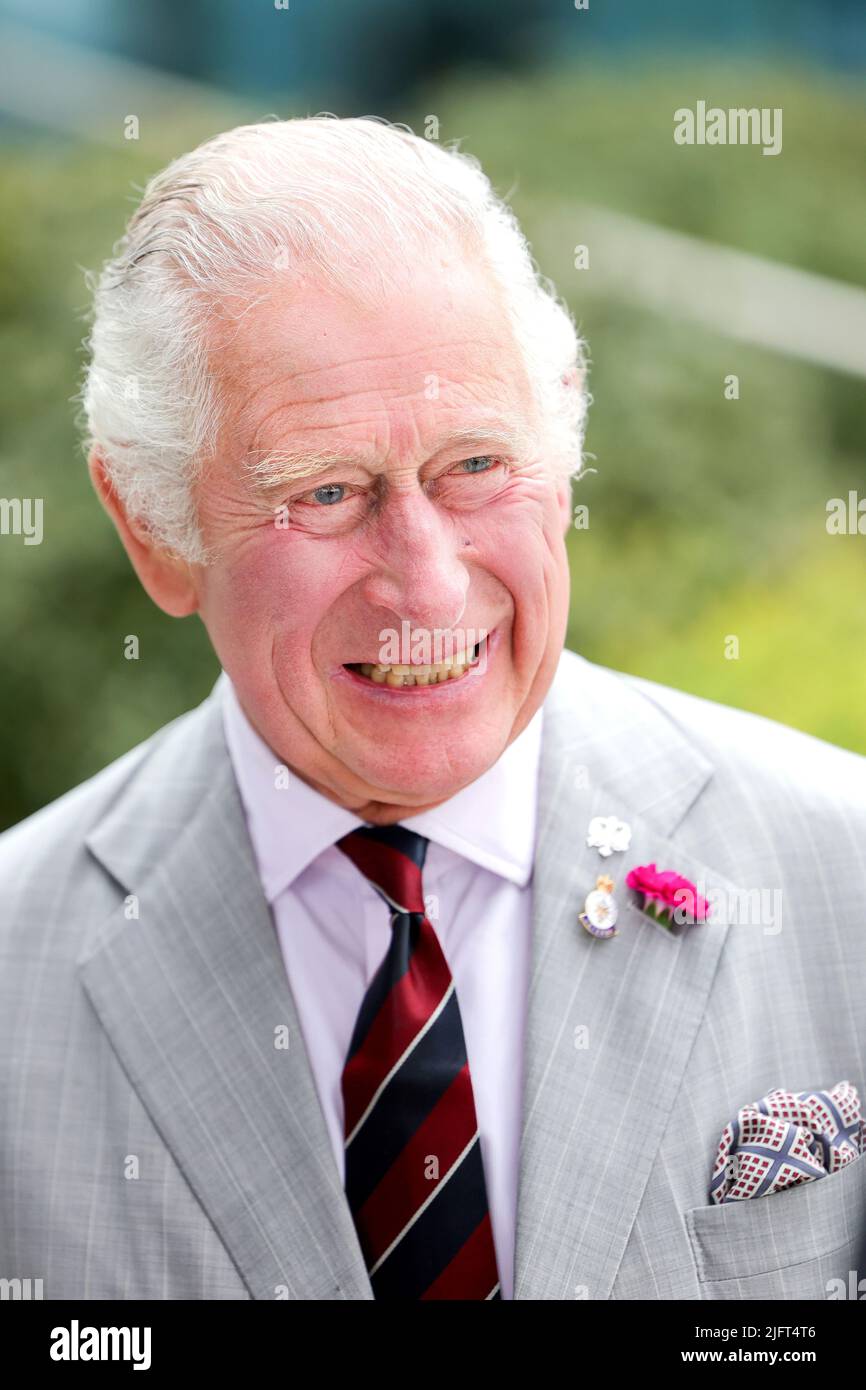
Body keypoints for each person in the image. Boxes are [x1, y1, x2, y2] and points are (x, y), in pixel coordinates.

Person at [1, 116, 864, 1301]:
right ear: (153, 527)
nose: (428, 584)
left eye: (472, 465)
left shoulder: (840, 868)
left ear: (560, 440)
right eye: (326, 490)